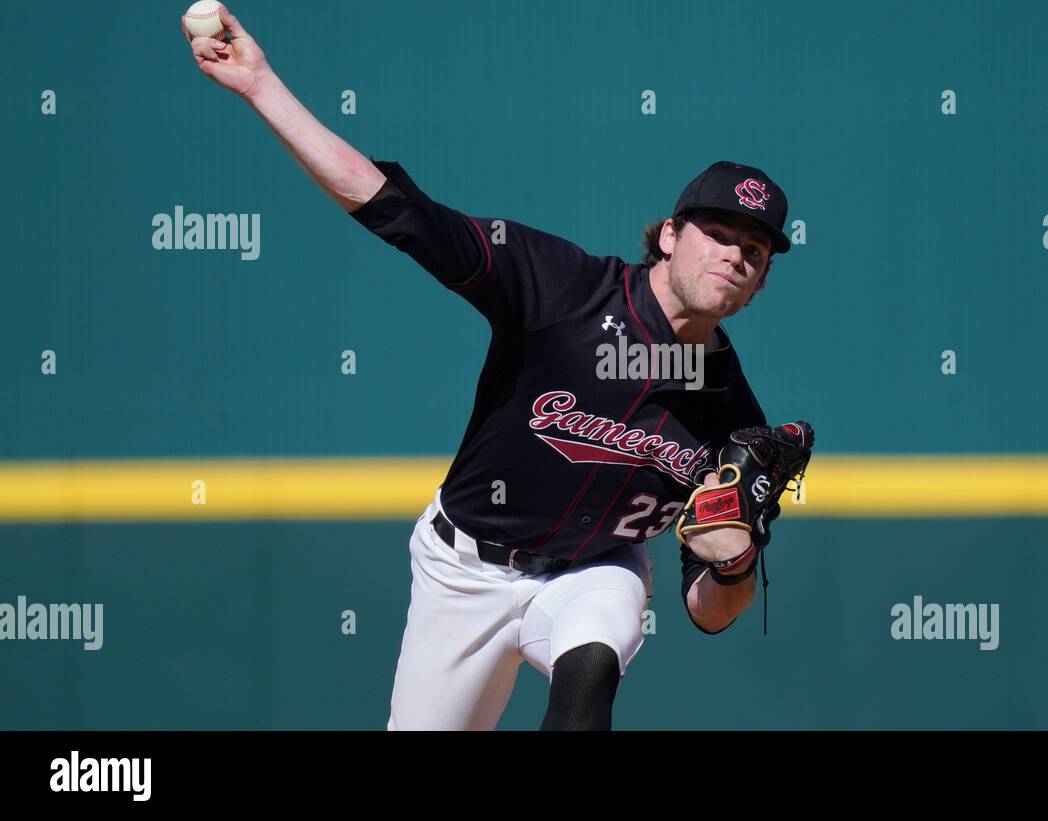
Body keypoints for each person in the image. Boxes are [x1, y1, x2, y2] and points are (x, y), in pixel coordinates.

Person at [183, 5, 806, 730]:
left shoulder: (733, 418)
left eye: (754, 251)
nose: (734, 253)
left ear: (760, 282)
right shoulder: (559, 285)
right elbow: (394, 208)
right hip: (463, 571)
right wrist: (262, 87)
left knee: (594, 660)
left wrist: (734, 560)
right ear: (669, 235)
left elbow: (710, 615)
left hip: (589, 572)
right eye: (718, 233)